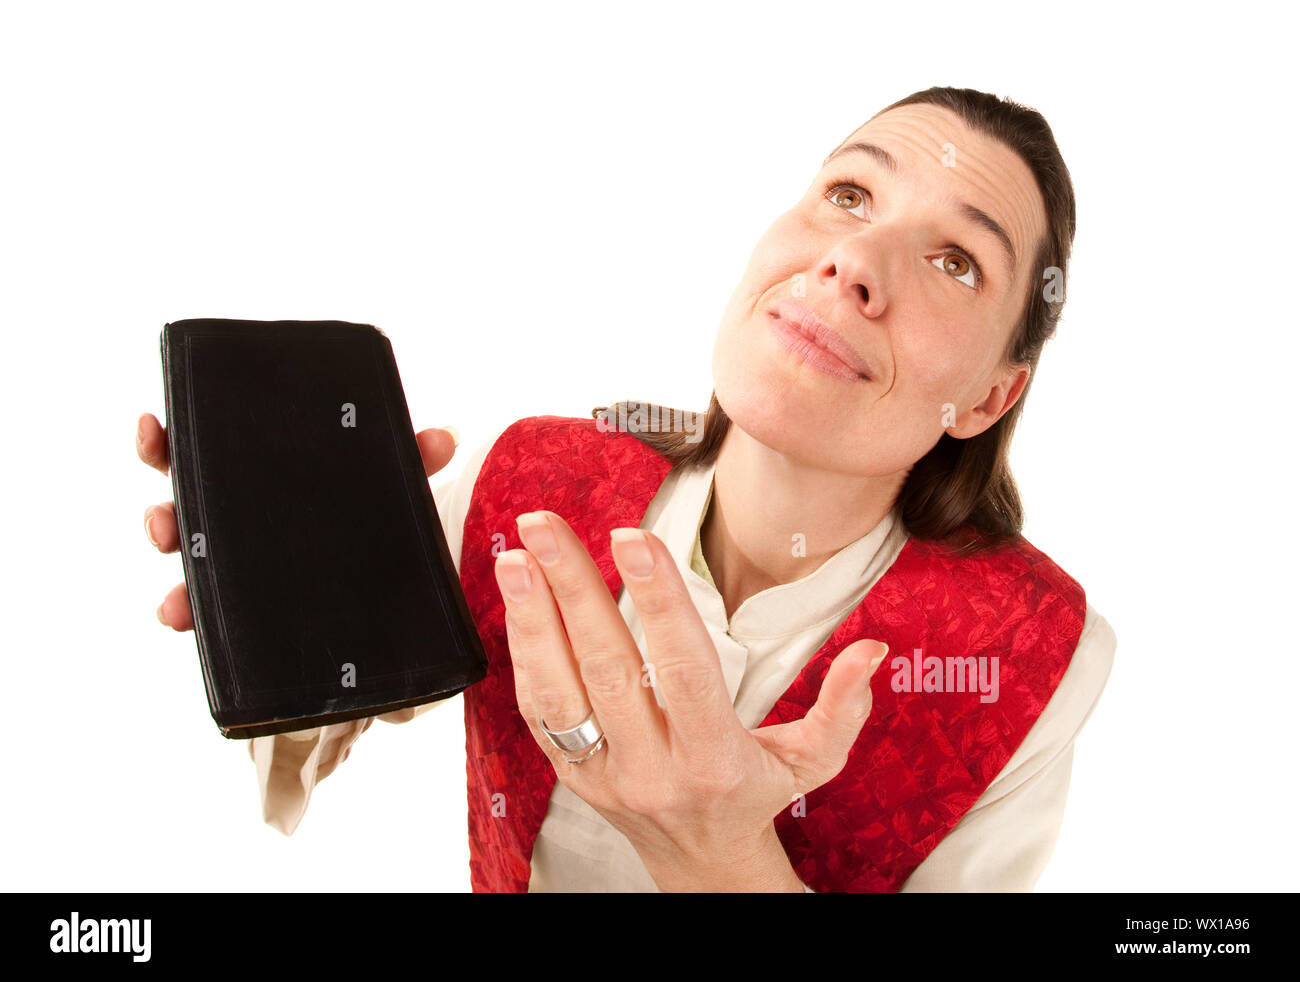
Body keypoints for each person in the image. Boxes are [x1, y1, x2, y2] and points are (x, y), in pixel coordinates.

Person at [137, 86, 1116, 892]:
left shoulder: (1034, 661)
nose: (853, 261)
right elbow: (314, 725)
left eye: (956, 260)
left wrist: (720, 855)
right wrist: (287, 606)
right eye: (851, 195)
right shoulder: (520, 482)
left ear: (989, 396)